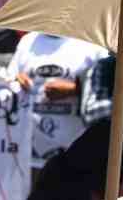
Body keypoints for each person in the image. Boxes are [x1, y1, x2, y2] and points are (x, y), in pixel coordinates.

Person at [9, 32, 104, 171]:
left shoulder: (92, 43)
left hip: (75, 156)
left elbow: (108, 85)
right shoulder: (27, 41)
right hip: (30, 157)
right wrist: (16, 80)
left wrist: (76, 89)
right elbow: (8, 79)